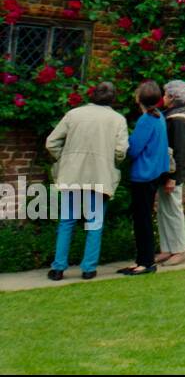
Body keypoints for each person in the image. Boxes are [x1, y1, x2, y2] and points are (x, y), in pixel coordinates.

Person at [45, 82, 129, 282]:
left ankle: (58, 268)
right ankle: (88, 269)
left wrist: (65, 158)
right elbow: (120, 151)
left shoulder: (74, 114)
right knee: (94, 223)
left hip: (73, 175)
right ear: (113, 99)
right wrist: (112, 163)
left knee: (67, 222)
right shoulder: (118, 120)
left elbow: (51, 142)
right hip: (99, 176)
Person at [119, 81, 170, 276]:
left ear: (139, 98)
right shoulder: (159, 117)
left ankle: (145, 262)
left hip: (144, 174)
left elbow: (134, 149)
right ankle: (143, 259)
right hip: (155, 172)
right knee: (145, 217)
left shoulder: (146, 120)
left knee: (142, 220)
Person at [156, 80, 185, 266]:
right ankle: (167, 248)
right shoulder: (173, 115)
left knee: (173, 210)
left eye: (165, 94)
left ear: (172, 97)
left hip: (173, 171)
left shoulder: (179, 119)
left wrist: (174, 178)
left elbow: (182, 152)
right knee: (164, 210)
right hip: (167, 170)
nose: (163, 98)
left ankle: (179, 249)